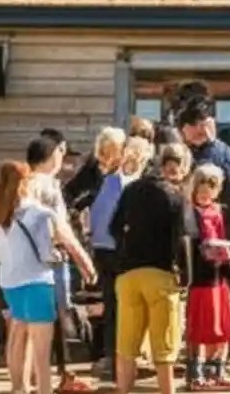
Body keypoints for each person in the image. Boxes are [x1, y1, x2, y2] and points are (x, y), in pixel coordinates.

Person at [0, 158, 96, 394]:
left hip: (10, 282)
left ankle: (19, 387)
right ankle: (45, 389)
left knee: (18, 334)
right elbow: (67, 240)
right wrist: (86, 265)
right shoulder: (40, 213)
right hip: (37, 280)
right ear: (26, 184)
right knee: (41, 345)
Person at [110, 143, 190, 394]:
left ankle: (122, 390)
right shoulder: (176, 198)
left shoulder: (131, 189)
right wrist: (185, 276)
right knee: (164, 346)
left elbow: (113, 227)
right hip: (160, 274)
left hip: (128, 274)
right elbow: (183, 239)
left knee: (126, 345)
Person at [27, 132, 92, 394]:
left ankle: (28, 380)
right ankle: (59, 376)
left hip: (24, 264)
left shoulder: (22, 182)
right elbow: (60, 228)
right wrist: (83, 259)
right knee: (57, 317)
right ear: (54, 153)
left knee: (26, 324)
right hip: (52, 260)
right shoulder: (50, 187)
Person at [182, 163, 230, 392]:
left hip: (219, 276)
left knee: (221, 325)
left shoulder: (223, 211)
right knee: (198, 325)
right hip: (198, 278)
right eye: (201, 185)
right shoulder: (188, 211)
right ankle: (195, 372)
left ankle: (217, 370)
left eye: (211, 186)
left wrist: (229, 248)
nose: (205, 191)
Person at [88, 131, 144, 381]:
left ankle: (113, 358)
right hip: (118, 252)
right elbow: (120, 222)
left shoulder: (107, 180)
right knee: (125, 307)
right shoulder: (124, 183)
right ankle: (123, 361)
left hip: (101, 249)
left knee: (113, 306)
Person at [179, 99, 230, 206]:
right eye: (194, 125)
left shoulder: (222, 151)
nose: (199, 130)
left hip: (213, 210)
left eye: (203, 125)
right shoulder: (181, 150)